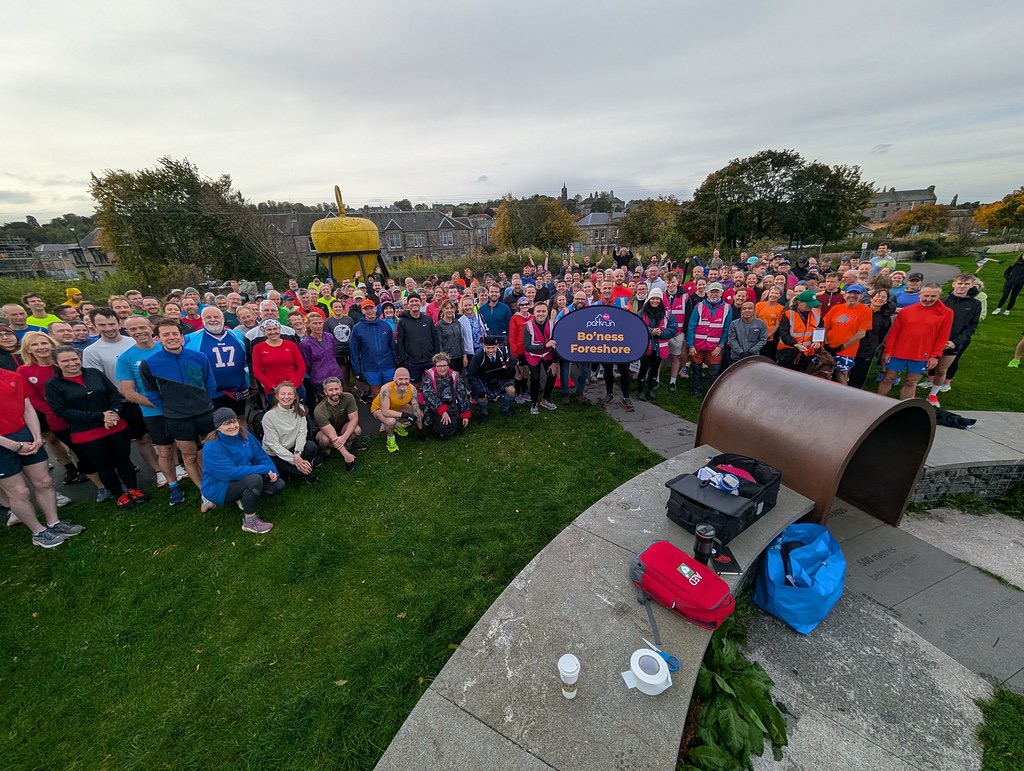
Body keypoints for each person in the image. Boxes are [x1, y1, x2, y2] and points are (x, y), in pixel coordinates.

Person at [46, 346, 147, 511]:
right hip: (87, 433)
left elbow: (113, 393)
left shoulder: (93, 373)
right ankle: (119, 495)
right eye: (65, 361)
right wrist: (100, 416)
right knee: (104, 465)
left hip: (115, 426)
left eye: (74, 359)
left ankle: (132, 489)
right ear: (56, 363)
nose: (72, 363)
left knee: (124, 460)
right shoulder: (53, 384)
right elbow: (61, 410)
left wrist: (114, 412)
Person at [0, 363, 82, 547]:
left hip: (24, 434)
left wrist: (37, 436)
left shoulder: (12, 376)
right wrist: (13, 445)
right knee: (19, 492)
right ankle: (39, 532)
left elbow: (27, 408)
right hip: (4, 444)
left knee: (44, 481)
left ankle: (54, 523)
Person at [140, 318, 218, 503]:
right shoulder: (150, 364)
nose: (171, 337)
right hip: (178, 418)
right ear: (158, 338)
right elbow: (151, 393)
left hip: (204, 413)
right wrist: (169, 408)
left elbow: (210, 384)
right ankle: (204, 492)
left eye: (175, 333)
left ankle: (214, 482)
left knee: (208, 451)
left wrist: (204, 402)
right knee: (189, 455)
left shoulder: (198, 357)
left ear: (182, 337)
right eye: (166, 334)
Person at [117, 315, 188, 502]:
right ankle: (173, 485)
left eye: (142, 327)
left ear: (151, 328)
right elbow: (128, 391)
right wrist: (161, 404)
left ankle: (201, 480)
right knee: (163, 451)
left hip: (181, 410)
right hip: (154, 412)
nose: (139, 332)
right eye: (133, 329)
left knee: (188, 448)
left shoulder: (170, 349)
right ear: (127, 332)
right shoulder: (126, 358)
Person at [17, 331, 83, 492]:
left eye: (44, 343)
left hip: (76, 409)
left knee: (80, 443)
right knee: (56, 439)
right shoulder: (24, 371)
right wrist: (57, 411)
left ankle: (85, 467)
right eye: (35, 344)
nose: (41, 347)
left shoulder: (63, 363)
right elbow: (32, 398)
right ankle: (70, 467)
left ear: (52, 344)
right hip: (48, 413)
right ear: (28, 349)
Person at [200, 407, 283, 534]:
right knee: (254, 479)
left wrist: (272, 471)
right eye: (226, 423)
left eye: (234, 421)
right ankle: (249, 521)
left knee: (277, 485)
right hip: (219, 486)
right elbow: (229, 473)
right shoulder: (212, 447)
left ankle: (244, 496)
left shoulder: (244, 434)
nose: (233, 426)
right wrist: (263, 469)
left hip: (244, 475)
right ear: (218, 427)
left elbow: (260, 455)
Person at [877, 284, 953, 400]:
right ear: (920, 294)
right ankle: (878, 401)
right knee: (888, 377)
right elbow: (894, 333)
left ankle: (903, 407)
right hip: (899, 351)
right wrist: (888, 351)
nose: (928, 299)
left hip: (922, 353)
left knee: (911, 381)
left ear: (939, 296)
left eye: (933, 296)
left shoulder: (946, 313)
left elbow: (943, 336)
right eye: (926, 295)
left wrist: (935, 356)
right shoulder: (906, 311)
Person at [917, 274, 982, 407]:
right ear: (954, 284)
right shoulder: (943, 301)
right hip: (934, 341)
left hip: (953, 343)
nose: (962, 287)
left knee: (942, 369)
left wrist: (955, 342)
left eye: (966, 284)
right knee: (922, 366)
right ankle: (918, 388)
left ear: (971, 286)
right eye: (959, 283)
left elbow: (972, 326)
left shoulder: (975, 304)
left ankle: (933, 394)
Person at [184, 306, 250, 416]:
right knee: (216, 423)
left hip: (237, 389)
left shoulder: (236, 335)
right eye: (208, 317)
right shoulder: (190, 338)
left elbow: (247, 360)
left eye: (216, 316)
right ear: (202, 319)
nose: (213, 319)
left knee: (240, 419)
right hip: (210, 392)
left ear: (223, 318)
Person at [261, 381, 319, 483]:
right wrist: (294, 460)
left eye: (290, 394)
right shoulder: (269, 417)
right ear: (277, 397)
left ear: (295, 396)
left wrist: (297, 453)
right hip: (276, 454)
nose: (286, 397)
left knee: (312, 447)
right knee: (300, 473)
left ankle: (301, 465)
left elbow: (302, 433)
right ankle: (289, 469)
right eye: (283, 394)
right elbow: (274, 445)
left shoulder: (300, 409)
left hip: (293, 448)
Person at [687, 282, 732, 396]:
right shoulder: (699, 306)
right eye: (712, 292)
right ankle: (696, 390)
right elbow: (691, 325)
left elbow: (727, 328)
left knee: (713, 371)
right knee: (696, 369)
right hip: (698, 345)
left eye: (716, 292)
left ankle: (710, 393)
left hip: (715, 347)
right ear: (707, 293)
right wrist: (691, 345)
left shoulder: (727, 308)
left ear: (721, 293)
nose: (714, 294)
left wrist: (721, 345)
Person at [823, 285, 873, 385]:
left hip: (847, 350)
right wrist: (826, 345)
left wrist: (842, 347)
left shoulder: (865, 310)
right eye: (850, 293)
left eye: (856, 294)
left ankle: (843, 397)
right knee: (824, 372)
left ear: (861, 296)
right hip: (828, 347)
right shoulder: (836, 308)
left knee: (842, 374)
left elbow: (861, 334)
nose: (852, 296)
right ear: (845, 295)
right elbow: (825, 327)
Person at [350, 300, 397, 399]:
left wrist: (396, 360)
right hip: (370, 367)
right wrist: (357, 370)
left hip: (388, 365)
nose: (369, 311)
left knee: (390, 391)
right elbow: (354, 351)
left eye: (371, 308)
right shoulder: (357, 328)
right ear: (362, 311)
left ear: (376, 309)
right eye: (366, 309)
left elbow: (392, 346)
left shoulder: (385, 325)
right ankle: (379, 412)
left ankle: (391, 413)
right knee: (376, 393)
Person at [636, 288, 677, 401]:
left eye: (657, 299)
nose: (655, 301)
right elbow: (637, 327)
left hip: (659, 347)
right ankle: (640, 391)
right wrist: (651, 331)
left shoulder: (667, 314)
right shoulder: (642, 313)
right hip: (646, 347)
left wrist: (661, 333)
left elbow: (673, 328)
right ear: (649, 299)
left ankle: (650, 389)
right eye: (653, 298)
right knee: (644, 368)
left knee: (654, 369)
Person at [252, 319, 306, 401]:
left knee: (298, 412)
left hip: (294, 388)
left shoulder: (291, 345)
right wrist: (272, 387)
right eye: (269, 329)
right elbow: (257, 371)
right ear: (264, 331)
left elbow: (301, 367)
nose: (273, 332)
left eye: (275, 329)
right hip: (273, 390)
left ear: (279, 329)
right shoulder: (258, 348)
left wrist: (294, 386)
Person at [312, 377, 360, 470]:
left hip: (342, 427)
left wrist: (344, 436)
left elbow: (354, 419)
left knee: (357, 430)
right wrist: (347, 456)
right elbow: (332, 435)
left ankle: (348, 444)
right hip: (326, 432)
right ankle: (326, 450)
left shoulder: (349, 397)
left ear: (341, 389)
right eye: (330, 390)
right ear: (325, 392)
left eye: (336, 389)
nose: (334, 392)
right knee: (325, 439)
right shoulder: (319, 410)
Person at [420, 352, 471, 438]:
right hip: (435, 407)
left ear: (448, 365)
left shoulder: (455, 376)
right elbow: (429, 395)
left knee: (449, 427)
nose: (442, 368)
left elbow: (462, 395)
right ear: (435, 366)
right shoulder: (428, 377)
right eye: (439, 366)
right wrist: (442, 410)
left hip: (452, 405)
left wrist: (465, 414)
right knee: (436, 426)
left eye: (445, 365)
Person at [371, 368, 422, 452]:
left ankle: (397, 425)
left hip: (397, 407)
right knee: (391, 421)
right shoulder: (386, 389)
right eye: (400, 379)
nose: (404, 381)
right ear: (394, 379)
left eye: (406, 379)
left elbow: (416, 408)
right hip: (380, 409)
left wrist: (420, 428)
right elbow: (386, 411)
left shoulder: (412, 389)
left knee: (420, 413)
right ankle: (390, 439)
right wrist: (406, 415)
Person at [467, 336, 516, 422]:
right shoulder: (478, 355)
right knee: (482, 396)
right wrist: (478, 388)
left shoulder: (503, 351)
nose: (490, 350)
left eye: (493, 347)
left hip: (499, 376)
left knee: (511, 391)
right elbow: (471, 374)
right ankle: (484, 413)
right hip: (482, 378)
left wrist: (509, 367)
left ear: (497, 346)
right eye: (488, 348)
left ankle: (505, 409)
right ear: (484, 347)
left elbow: (513, 362)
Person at [396, 293, 440, 385]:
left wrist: (436, 357)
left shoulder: (428, 320)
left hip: (429, 360)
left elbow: (435, 339)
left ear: (421, 303)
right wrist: (405, 361)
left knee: (432, 384)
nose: (414, 303)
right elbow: (400, 343)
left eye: (416, 301)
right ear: (408, 304)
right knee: (415, 386)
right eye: (411, 301)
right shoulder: (402, 322)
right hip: (412, 362)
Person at [523, 301, 559, 415]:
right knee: (535, 379)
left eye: (543, 311)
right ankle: (534, 402)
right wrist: (544, 345)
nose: (541, 313)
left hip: (548, 354)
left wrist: (554, 362)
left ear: (547, 312)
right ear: (533, 313)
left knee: (552, 376)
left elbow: (556, 344)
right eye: (538, 311)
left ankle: (546, 399)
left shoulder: (553, 324)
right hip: (533, 355)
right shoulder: (528, 326)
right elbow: (528, 347)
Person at [299, 311, 342, 403]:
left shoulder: (329, 336)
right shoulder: (305, 343)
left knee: (338, 400)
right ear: (308, 325)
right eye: (314, 323)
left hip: (335, 374)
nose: (318, 326)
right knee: (324, 403)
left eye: (320, 323)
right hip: (319, 378)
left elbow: (333, 353)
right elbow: (307, 363)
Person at [776, 290, 822, 373]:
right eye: (808, 304)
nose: (810, 307)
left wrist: (817, 340)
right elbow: (783, 333)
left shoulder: (816, 313)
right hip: (788, 353)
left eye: (812, 305)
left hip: (807, 353)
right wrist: (796, 344)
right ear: (799, 302)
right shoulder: (788, 314)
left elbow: (820, 327)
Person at [664, 274, 688, 390]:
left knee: (675, 357)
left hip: (678, 333)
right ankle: (656, 379)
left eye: (673, 282)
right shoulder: (662, 296)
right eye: (668, 283)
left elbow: (688, 315)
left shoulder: (685, 296)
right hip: (663, 333)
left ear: (677, 282)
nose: (670, 285)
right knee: (660, 357)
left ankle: (672, 381)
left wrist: (683, 332)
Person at [508, 296, 532, 402]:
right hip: (519, 350)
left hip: (530, 350)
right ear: (519, 306)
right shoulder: (514, 318)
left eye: (526, 304)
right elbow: (512, 337)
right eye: (522, 304)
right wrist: (514, 353)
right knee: (519, 373)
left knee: (526, 372)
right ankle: (518, 394)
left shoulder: (532, 317)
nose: (524, 306)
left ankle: (524, 392)